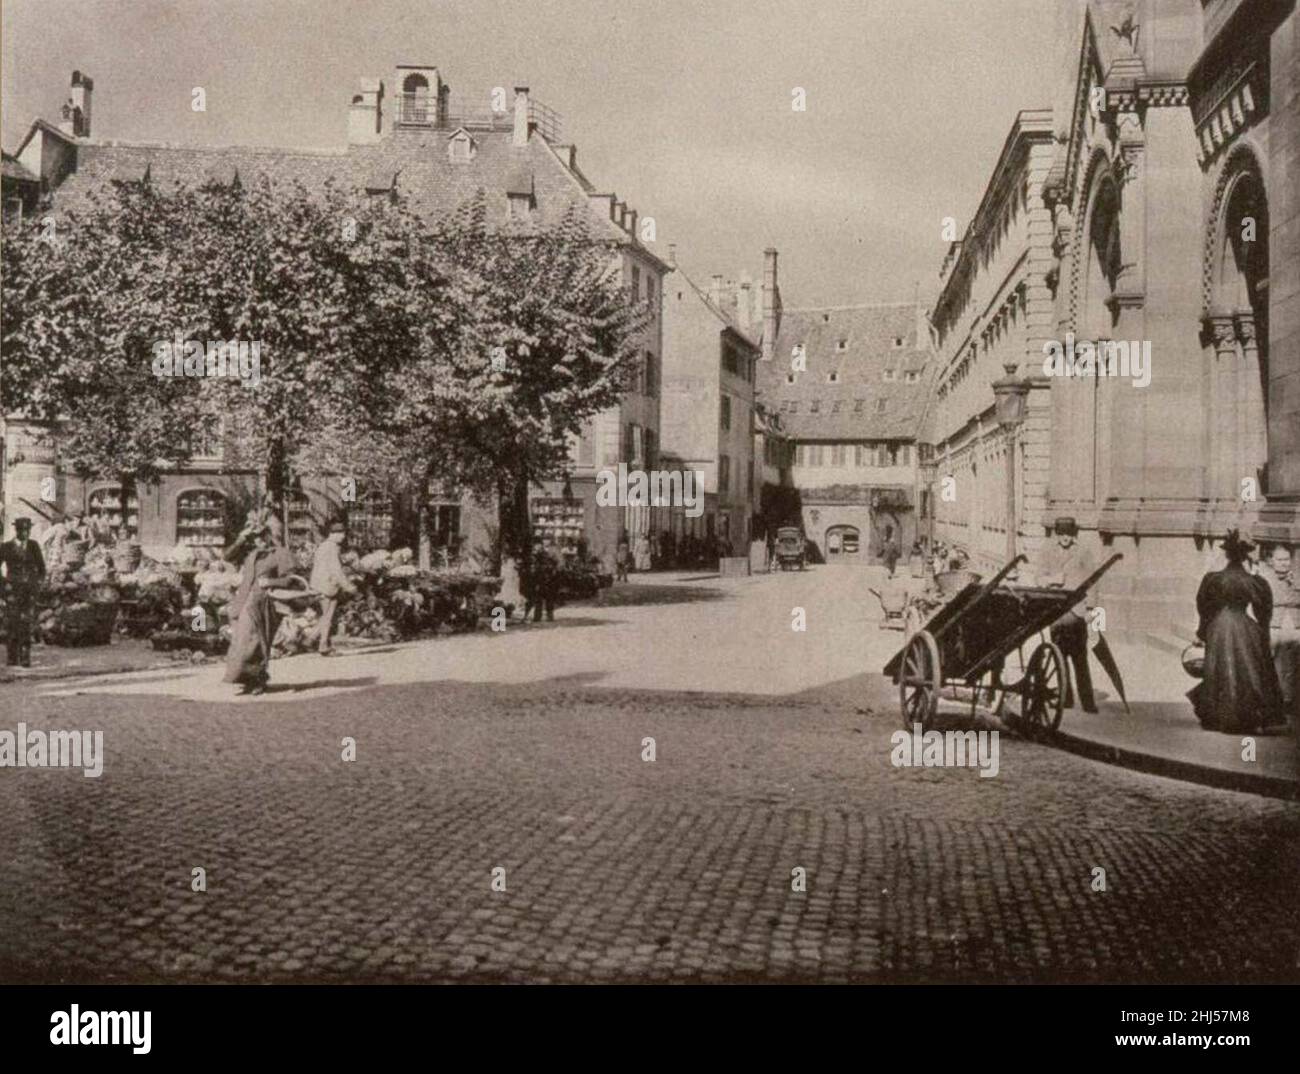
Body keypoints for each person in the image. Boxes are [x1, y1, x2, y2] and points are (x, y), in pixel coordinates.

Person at [1187, 530, 1284, 732]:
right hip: (1243, 624)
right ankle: (1246, 715)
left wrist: (1203, 631)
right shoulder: (1254, 581)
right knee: (1246, 669)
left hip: (1218, 626)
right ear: (1245, 556)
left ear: (1227, 555)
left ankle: (1217, 715)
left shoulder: (1213, 579)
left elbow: (1204, 607)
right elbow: (1264, 611)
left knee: (1218, 670)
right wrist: (1262, 633)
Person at [1038, 517, 1114, 714]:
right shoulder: (1047, 551)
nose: (1065, 538)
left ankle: (1088, 702)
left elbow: (1093, 581)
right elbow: (1039, 577)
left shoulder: (1083, 552)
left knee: (1080, 659)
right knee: (1059, 658)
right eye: (1062, 534)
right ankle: (1066, 698)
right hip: (1056, 612)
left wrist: (1091, 609)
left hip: (1077, 612)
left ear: (1074, 535)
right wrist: (1053, 579)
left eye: (1069, 534)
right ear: (1057, 534)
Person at [222, 520, 295, 695]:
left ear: (270, 535)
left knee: (257, 642)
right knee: (240, 643)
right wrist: (241, 538)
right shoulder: (251, 553)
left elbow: (290, 579)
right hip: (243, 602)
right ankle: (248, 680)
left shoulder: (281, 553)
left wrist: (270, 581)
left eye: (262, 536)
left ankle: (258, 680)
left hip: (264, 603)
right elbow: (227, 557)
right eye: (254, 537)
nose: (259, 540)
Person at [1255, 543, 1299, 726]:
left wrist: (1294, 585)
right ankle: (1274, 700)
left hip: (1295, 622)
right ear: (1271, 561)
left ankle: (1290, 699)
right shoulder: (1264, 578)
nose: (1284, 563)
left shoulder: (1296, 578)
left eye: (1287, 559)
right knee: (1273, 660)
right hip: (1274, 622)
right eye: (1280, 560)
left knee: (1293, 662)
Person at [0, 518, 47, 667]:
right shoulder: (6, 547)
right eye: (22, 530)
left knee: (26, 623)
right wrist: (4, 587)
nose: (25, 533)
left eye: (27, 530)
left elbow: (42, 569)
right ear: (16, 531)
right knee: (12, 622)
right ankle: (12, 657)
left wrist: (37, 584)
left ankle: (25, 656)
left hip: (29, 592)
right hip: (12, 591)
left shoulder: (34, 546)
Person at [310, 521, 357, 657]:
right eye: (340, 533)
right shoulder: (332, 548)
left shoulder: (323, 546)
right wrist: (348, 586)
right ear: (332, 534)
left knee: (326, 616)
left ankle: (314, 640)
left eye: (343, 533)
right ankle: (323, 645)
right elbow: (336, 570)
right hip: (328, 586)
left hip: (318, 584)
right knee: (328, 616)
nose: (342, 536)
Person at [524, 538, 558, 623]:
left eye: (548, 539)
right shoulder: (537, 554)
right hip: (539, 578)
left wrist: (551, 569)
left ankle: (549, 615)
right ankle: (537, 616)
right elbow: (533, 564)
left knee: (548, 597)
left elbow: (555, 564)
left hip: (548, 578)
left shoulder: (550, 553)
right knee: (538, 597)